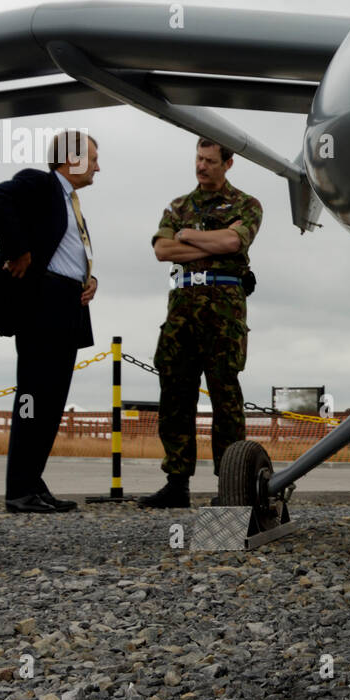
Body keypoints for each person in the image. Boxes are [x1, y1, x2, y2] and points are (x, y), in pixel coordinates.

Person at [0, 130, 100, 512]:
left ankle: (33, 482)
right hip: (42, 305)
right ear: (72, 159)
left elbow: (69, 253)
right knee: (33, 397)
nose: (98, 166)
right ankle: (19, 490)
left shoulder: (72, 204)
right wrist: (18, 251)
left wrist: (89, 279)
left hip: (67, 305)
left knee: (51, 401)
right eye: (93, 158)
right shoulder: (40, 183)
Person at [141, 137, 262, 508]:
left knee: (225, 397)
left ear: (228, 163)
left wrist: (189, 235)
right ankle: (176, 483)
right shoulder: (178, 206)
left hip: (223, 311)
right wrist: (215, 241)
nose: (201, 166)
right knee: (176, 395)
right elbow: (163, 250)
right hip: (181, 310)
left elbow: (233, 243)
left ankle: (230, 485)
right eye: (198, 159)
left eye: (209, 160)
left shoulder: (247, 204)